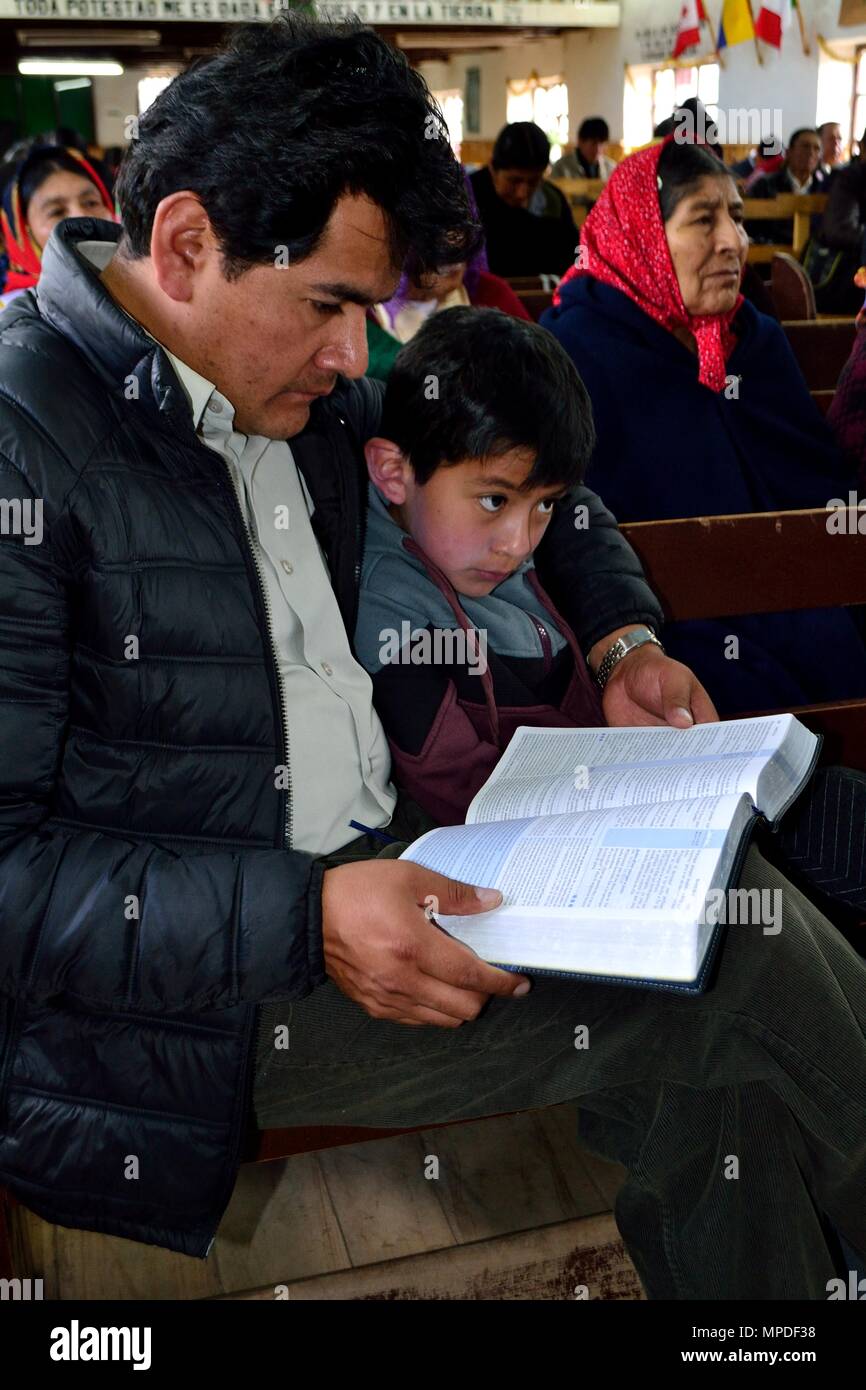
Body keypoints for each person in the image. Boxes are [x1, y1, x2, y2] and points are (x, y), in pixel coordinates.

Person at [0, 14, 725, 1274]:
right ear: (183, 244)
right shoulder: (27, 440)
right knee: (732, 988)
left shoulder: (295, 383)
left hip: (392, 871)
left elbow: (522, 467)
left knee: (732, 924)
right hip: (190, 1019)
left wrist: (617, 641)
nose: (355, 357)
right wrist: (308, 916)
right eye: (331, 304)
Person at [541, 136, 866, 716]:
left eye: (737, 219)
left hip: (797, 597)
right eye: (703, 220)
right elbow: (569, 534)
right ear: (642, 235)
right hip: (663, 630)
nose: (733, 242)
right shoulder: (577, 351)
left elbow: (816, 481)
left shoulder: (753, 339)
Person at [355, 306, 610, 825]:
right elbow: (464, 800)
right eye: (495, 501)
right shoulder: (391, 618)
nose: (519, 544)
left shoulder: (476, 549)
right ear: (392, 472)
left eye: (545, 505)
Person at [0, 142, 115, 307]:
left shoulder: (146, 286)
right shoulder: (10, 317)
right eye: (57, 212)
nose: (81, 217)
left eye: (91, 202)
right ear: (25, 233)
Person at [469, 122, 578, 278]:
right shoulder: (466, 198)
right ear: (492, 168)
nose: (522, 193)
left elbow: (573, 255)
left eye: (533, 182)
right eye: (514, 181)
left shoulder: (552, 201)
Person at [747, 127, 827, 244]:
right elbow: (752, 228)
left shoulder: (824, 188)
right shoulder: (765, 185)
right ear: (789, 152)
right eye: (805, 146)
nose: (811, 153)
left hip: (811, 257)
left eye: (817, 149)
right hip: (771, 253)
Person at [550, 116, 616, 182]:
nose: (597, 149)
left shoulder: (611, 168)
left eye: (601, 143)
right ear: (580, 141)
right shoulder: (561, 168)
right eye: (593, 143)